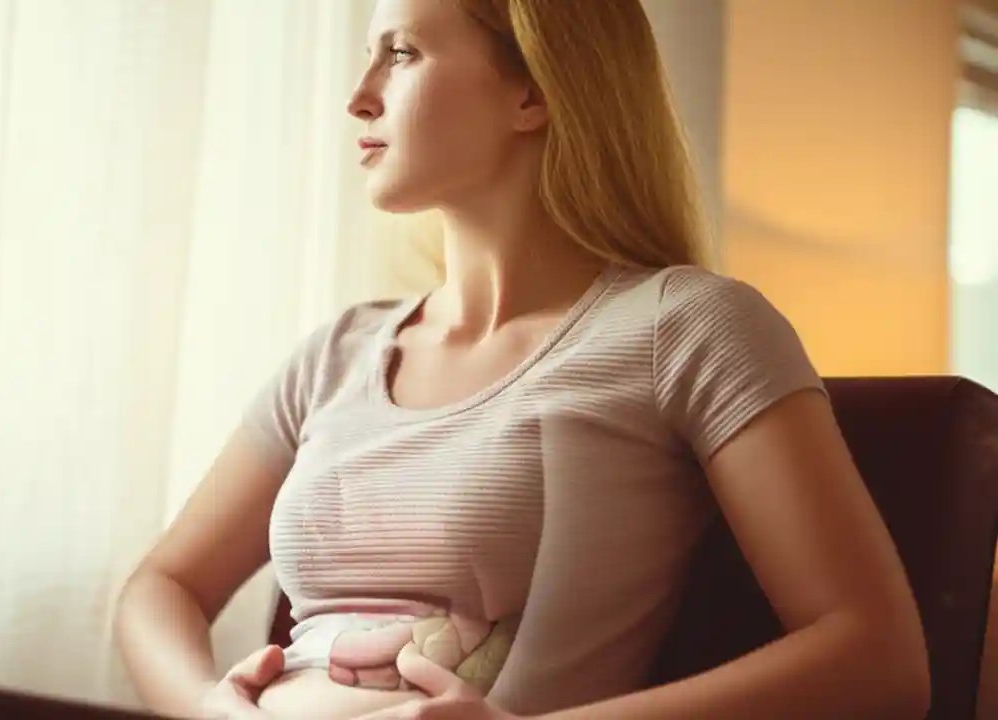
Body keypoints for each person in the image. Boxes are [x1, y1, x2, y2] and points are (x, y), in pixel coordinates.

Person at [114, 1, 931, 719]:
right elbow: (161, 587)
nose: (359, 94)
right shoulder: (339, 353)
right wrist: (205, 707)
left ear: (533, 90)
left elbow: (877, 661)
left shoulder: (683, 328)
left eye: (401, 53)